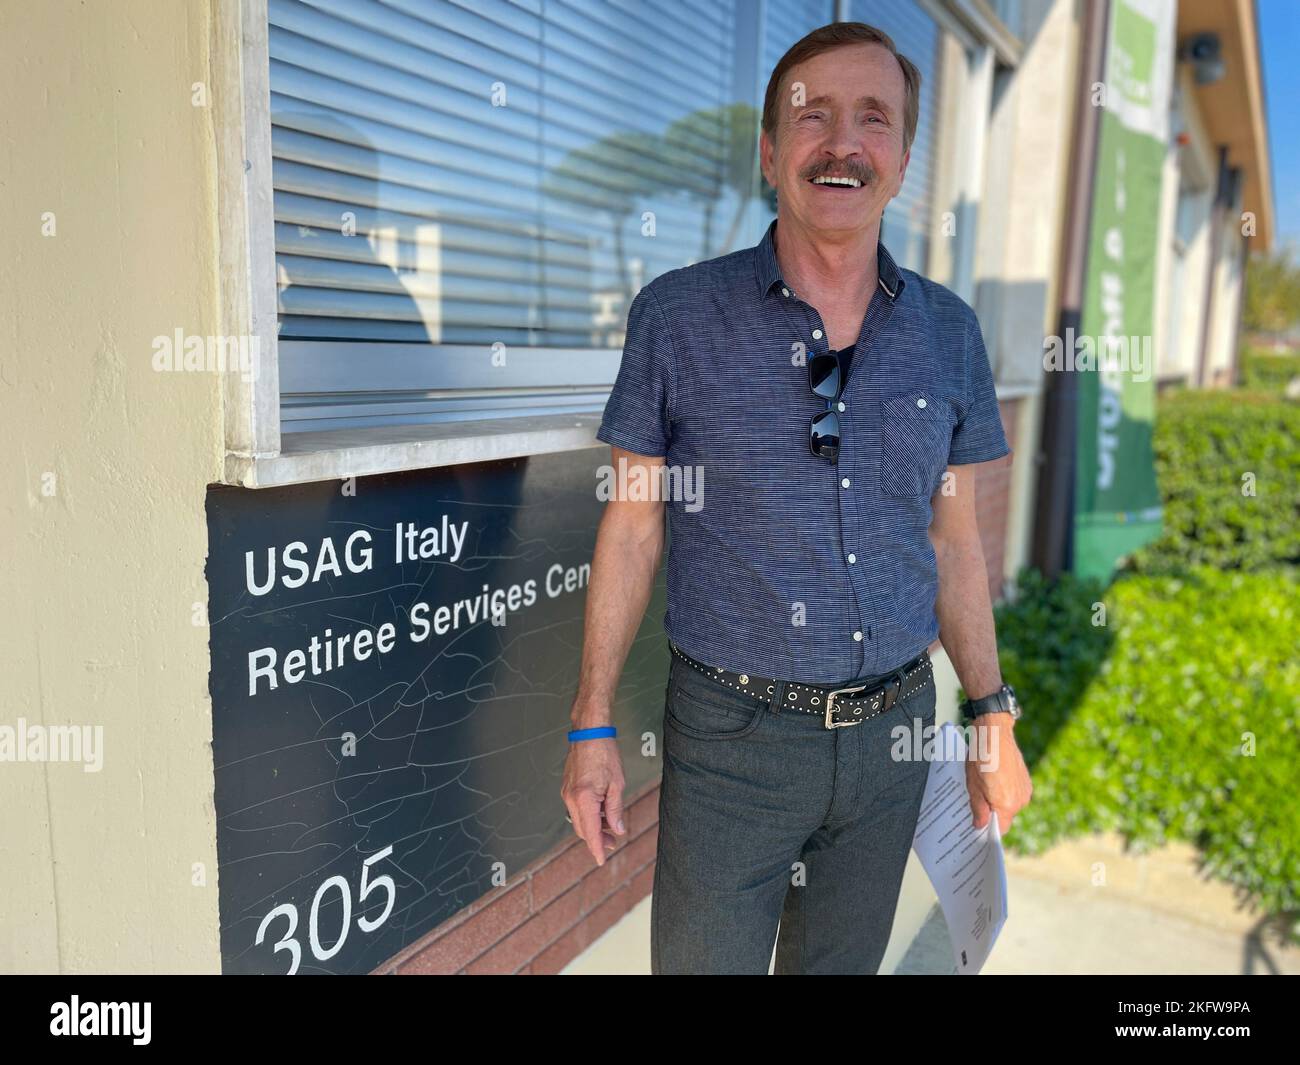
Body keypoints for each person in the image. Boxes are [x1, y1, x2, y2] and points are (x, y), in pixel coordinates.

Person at [561, 21, 1032, 975]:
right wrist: (593, 718)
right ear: (771, 153)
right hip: (733, 742)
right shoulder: (677, 316)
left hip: (894, 734)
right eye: (811, 116)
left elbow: (955, 543)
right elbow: (633, 523)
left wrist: (991, 711)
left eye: (874, 119)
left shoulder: (949, 333)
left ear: (901, 159)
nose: (842, 141)